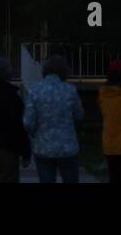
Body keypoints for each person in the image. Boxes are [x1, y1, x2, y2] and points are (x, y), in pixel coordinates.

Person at [23, 54, 84, 184]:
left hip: (43, 147)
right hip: (68, 147)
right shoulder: (70, 90)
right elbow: (79, 115)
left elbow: (28, 122)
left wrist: (36, 134)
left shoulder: (34, 91)